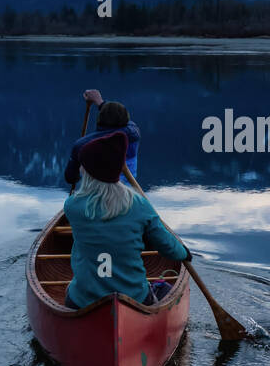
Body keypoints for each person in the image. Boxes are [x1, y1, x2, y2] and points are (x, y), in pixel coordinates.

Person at [63, 131, 191, 310]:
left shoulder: (72, 206)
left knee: (70, 290)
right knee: (164, 291)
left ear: (87, 171)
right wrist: (184, 253)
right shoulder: (139, 205)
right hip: (134, 298)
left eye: (82, 165)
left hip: (85, 299)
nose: (79, 168)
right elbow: (168, 248)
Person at [64, 88, 140, 187]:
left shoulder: (82, 145)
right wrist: (100, 102)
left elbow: (71, 178)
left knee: (70, 202)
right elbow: (126, 123)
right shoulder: (133, 133)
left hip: (98, 191)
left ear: (100, 119)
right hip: (128, 190)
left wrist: (77, 171)